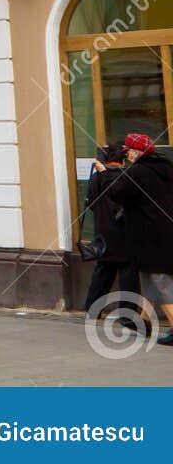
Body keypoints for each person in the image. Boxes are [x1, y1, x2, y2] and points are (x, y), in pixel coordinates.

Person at [105, 132, 173, 346]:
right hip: (166, 232)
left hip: (149, 236)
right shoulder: (167, 168)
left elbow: (115, 192)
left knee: (159, 282)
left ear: (134, 152)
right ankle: (144, 322)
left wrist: (114, 172)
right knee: (151, 281)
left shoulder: (138, 172)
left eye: (128, 152)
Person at [84, 143, 138, 321]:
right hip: (125, 230)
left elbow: (91, 202)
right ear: (121, 158)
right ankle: (127, 313)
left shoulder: (96, 177)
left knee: (103, 270)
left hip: (103, 229)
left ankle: (93, 309)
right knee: (128, 273)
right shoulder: (127, 176)